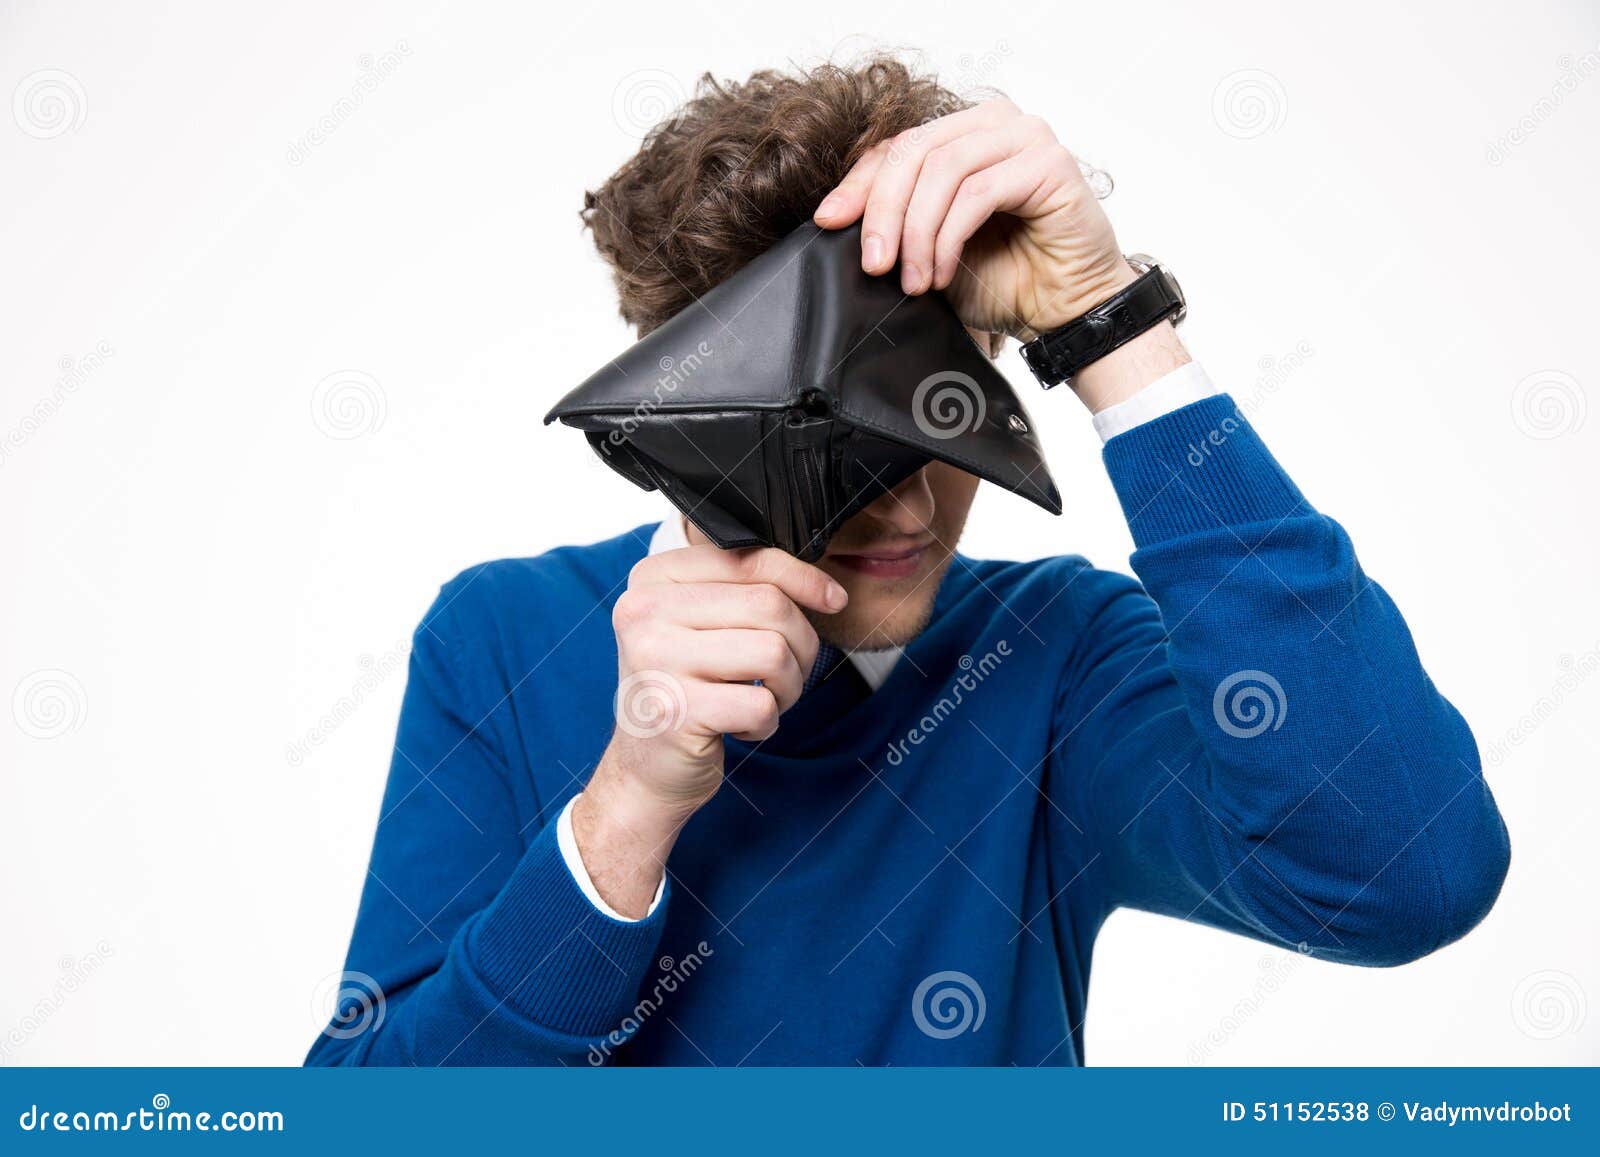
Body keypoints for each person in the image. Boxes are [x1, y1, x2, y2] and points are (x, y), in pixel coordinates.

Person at [306, 56, 1509, 1066]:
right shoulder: (506, 635)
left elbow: (1407, 873)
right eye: (827, 428)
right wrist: (627, 807)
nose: (899, 499)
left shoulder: (1053, 658)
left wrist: (1108, 319)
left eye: (940, 404)